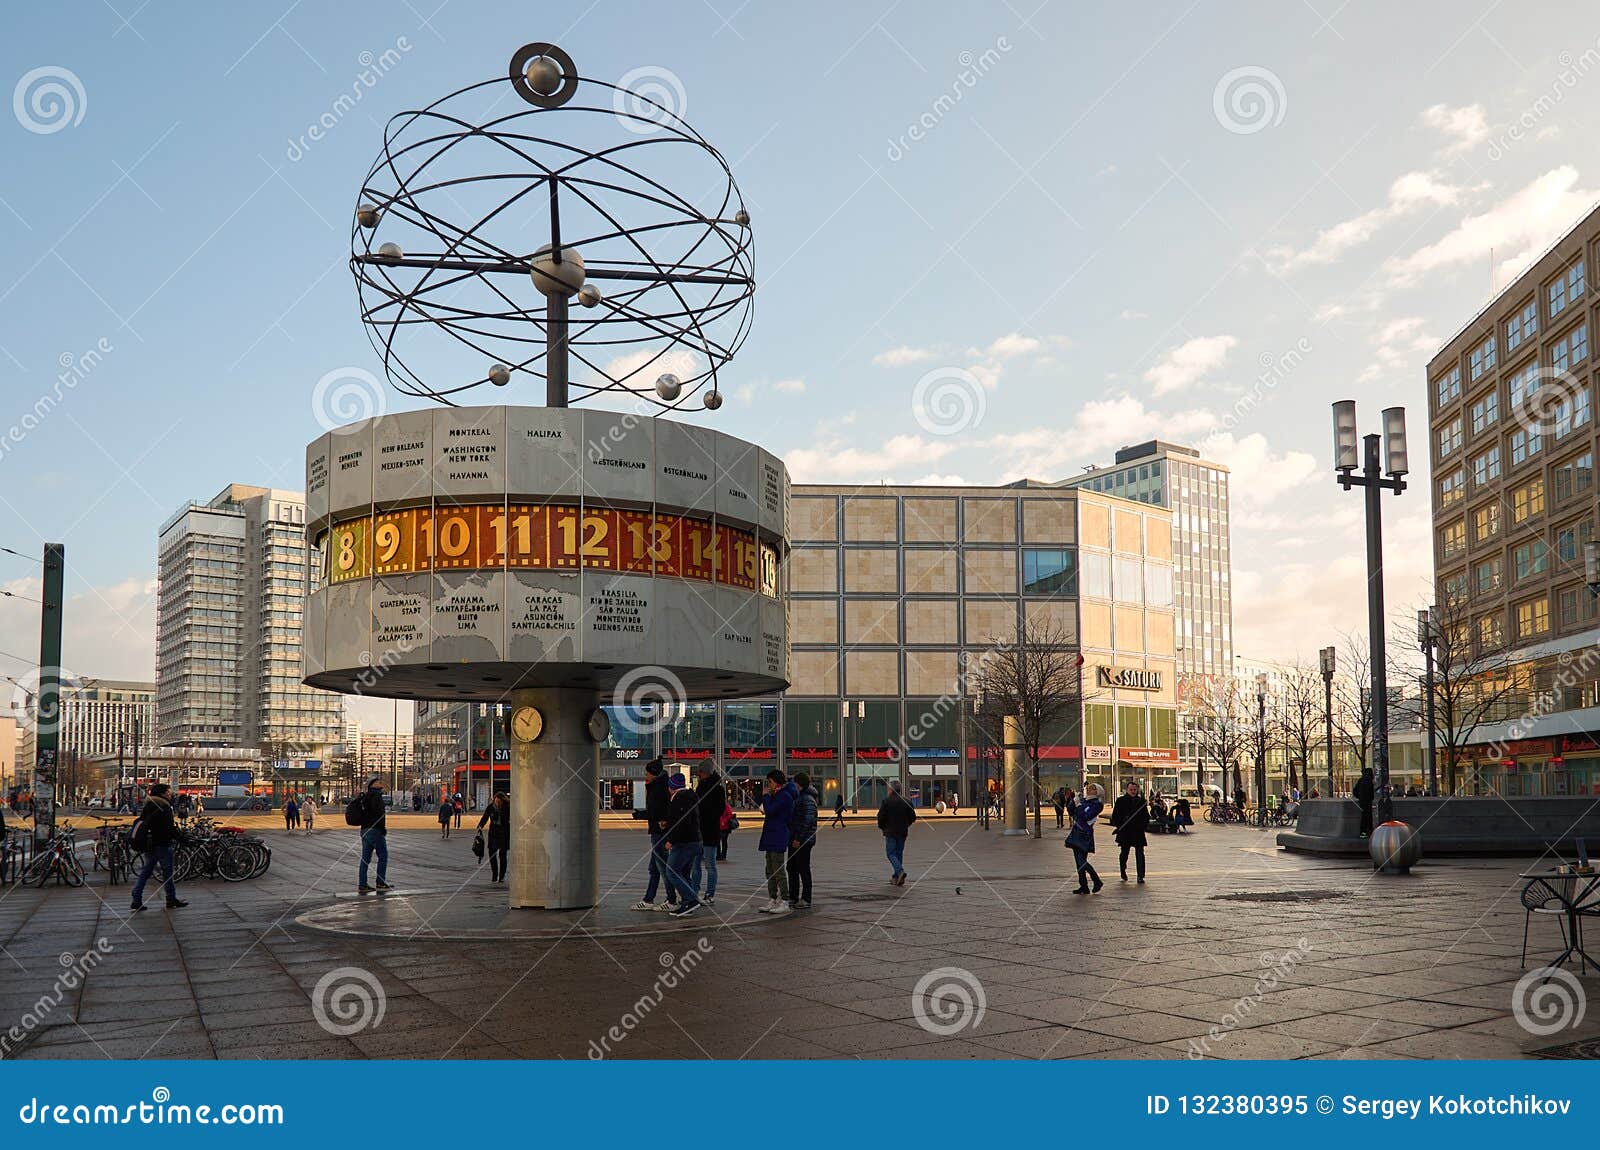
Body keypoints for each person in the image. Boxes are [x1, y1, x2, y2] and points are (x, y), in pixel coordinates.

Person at [130, 782, 189, 912]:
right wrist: (183, 839)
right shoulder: (165, 807)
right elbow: (169, 829)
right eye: (168, 791)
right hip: (163, 844)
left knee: (146, 872)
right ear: (162, 793)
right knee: (167, 873)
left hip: (150, 844)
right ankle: (171, 899)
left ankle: (136, 899)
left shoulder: (149, 806)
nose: (170, 794)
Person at [633, 759, 676, 911]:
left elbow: (656, 811)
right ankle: (649, 899)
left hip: (659, 833)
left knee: (662, 867)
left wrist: (639, 815)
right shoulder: (659, 786)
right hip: (658, 831)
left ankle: (671, 900)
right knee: (654, 868)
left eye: (647, 773)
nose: (645, 776)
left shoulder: (658, 789)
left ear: (654, 774)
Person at [661, 774, 701, 918]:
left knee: (671, 871)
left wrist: (671, 840)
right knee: (683, 872)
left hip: (684, 843)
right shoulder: (690, 797)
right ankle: (688, 903)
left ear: (671, 787)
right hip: (694, 841)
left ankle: (690, 900)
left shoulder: (679, 799)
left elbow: (682, 822)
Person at [757, 769, 795, 914]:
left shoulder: (784, 796)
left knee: (778, 870)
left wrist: (766, 797)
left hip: (778, 836)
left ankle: (785, 900)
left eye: (770, 782)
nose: (768, 785)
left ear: (777, 782)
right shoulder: (777, 795)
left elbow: (771, 810)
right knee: (770, 870)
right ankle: (772, 899)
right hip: (771, 835)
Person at [692, 762, 725, 908]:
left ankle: (708, 894)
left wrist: (703, 816)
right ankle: (695, 893)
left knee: (708, 865)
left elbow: (719, 810)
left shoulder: (716, 789)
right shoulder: (703, 787)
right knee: (699, 865)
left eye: (700, 771)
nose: (699, 774)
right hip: (703, 831)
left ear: (706, 772)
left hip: (708, 831)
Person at [786, 771, 819, 910]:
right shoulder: (801, 797)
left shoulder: (807, 799)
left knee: (802, 868)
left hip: (803, 840)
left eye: (794, 782)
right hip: (796, 837)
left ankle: (806, 898)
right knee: (792, 867)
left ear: (798, 784)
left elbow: (807, 821)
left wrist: (798, 838)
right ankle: (793, 896)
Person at [877, 777, 917, 886]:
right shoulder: (907, 801)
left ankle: (899, 871)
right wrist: (906, 824)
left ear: (891, 790)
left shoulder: (886, 801)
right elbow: (913, 817)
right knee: (899, 853)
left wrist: (882, 827)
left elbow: (880, 817)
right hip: (903, 831)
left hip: (890, 831)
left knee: (890, 853)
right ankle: (897, 877)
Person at [1065, 783, 1104, 894]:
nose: (1088, 789)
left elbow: (1085, 816)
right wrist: (1074, 801)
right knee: (1078, 862)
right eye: (1088, 788)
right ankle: (1084, 886)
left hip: (1084, 834)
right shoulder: (1084, 801)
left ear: (1097, 792)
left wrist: (1078, 805)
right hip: (1076, 832)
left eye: (1091, 788)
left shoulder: (1097, 804)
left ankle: (1097, 881)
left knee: (1082, 861)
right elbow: (1071, 812)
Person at [1108, 781, 1149, 883]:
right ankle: (1123, 871)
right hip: (1125, 831)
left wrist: (1142, 826)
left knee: (1140, 853)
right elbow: (1115, 816)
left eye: (1135, 790)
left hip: (1138, 831)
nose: (1133, 791)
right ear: (1127, 790)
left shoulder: (1141, 801)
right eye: (1131, 790)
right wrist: (1120, 824)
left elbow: (1146, 816)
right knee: (1124, 853)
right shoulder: (1120, 801)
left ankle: (1140, 875)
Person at [356, 778, 392, 893]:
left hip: (365, 830)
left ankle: (362, 884)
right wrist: (382, 829)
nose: (381, 783)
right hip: (375, 830)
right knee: (383, 855)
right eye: (378, 781)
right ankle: (380, 882)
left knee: (365, 859)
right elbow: (379, 814)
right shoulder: (376, 796)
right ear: (373, 785)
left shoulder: (366, 796)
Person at [476, 791, 511, 883]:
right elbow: (485, 817)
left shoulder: (507, 808)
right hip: (493, 833)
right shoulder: (491, 807)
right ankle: (494, 874)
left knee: (502, 855)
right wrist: (480, 826)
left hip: (504, 833)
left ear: (503, 801)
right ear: (494, 800)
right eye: (496, 801)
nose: (498, 803)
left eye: (499, 802)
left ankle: (502, 876)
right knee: (492, 854)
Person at [1353, 767, 1375, 837]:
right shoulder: (1371, 781)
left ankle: (1363, 832)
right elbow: (1372, 793)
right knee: (1369, 817)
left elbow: (1355, 791)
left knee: (1364, 816)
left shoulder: (1361, 780)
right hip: (1368, 801)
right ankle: (1369, 831)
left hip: (1362, 801)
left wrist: (1360, 797)